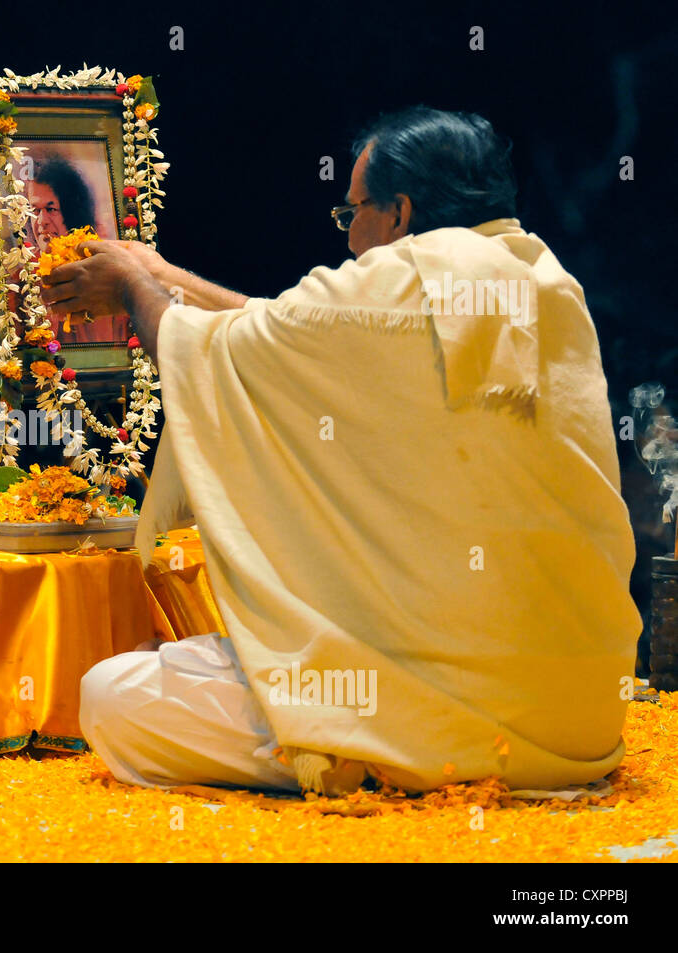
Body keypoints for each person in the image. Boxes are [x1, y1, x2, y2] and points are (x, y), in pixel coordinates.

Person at [43, 107, 641, 796]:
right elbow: (277, 335)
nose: (349, 236)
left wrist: (129, 287)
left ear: (399, 213)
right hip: (581, 721)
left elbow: (228, 349)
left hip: (441, 717)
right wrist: (163, 273)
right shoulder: (549, 285)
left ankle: (369, 752)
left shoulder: (392, 282)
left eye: (350, 212)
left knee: (115, 695)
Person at [25, 154, 124, 343]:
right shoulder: (20, 278)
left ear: (73, 210)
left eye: (51, 209)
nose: (42, 222)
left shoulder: (104, 271)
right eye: (35, 210)